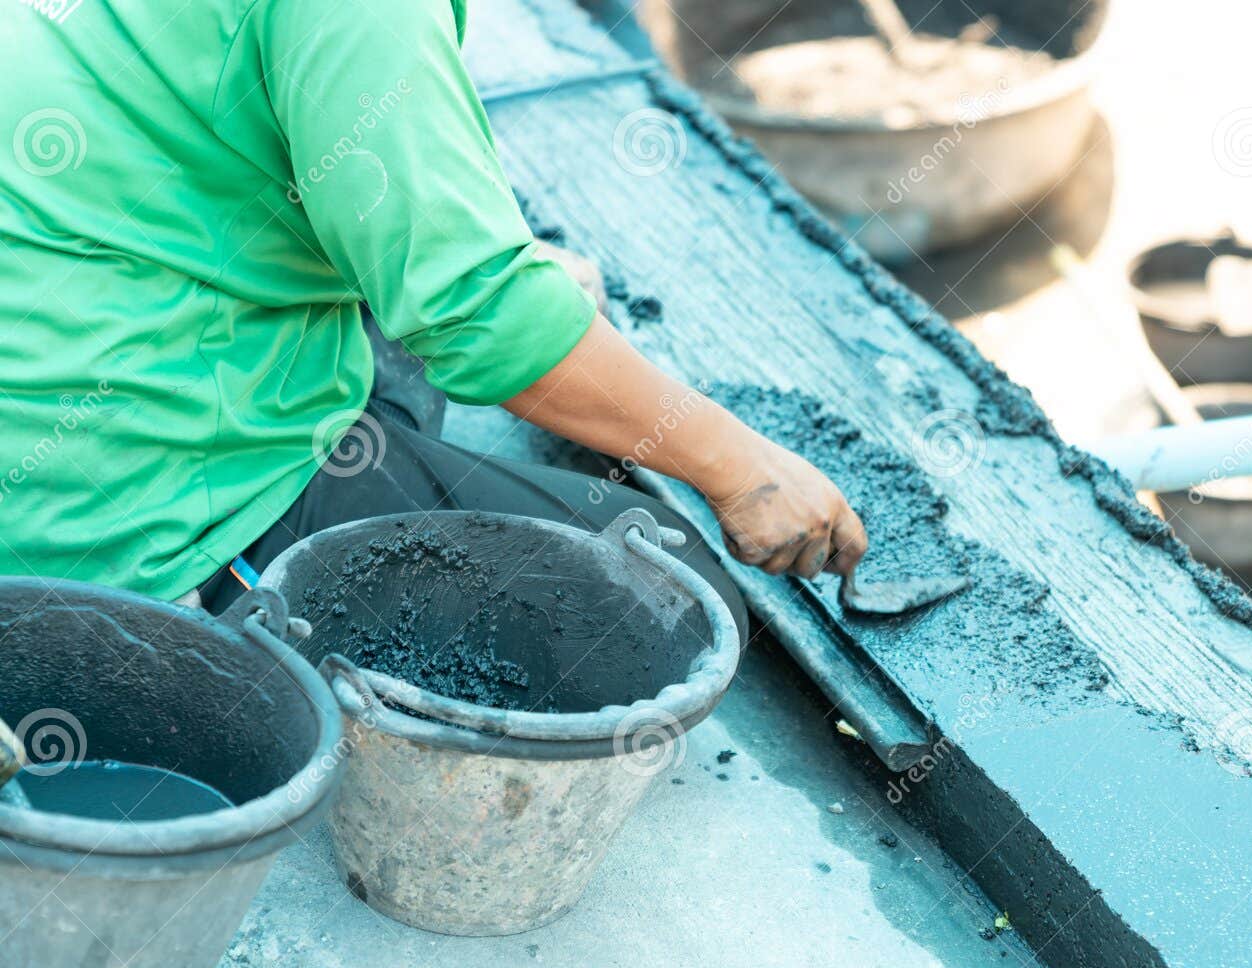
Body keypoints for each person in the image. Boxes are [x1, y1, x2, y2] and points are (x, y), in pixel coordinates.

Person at [0, 0, 868, 640]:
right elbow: (474, 309)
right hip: (112, 522)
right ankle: (220, 609)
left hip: (63, 329)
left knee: (404, 349)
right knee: (677, 602)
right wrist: (739, 464)